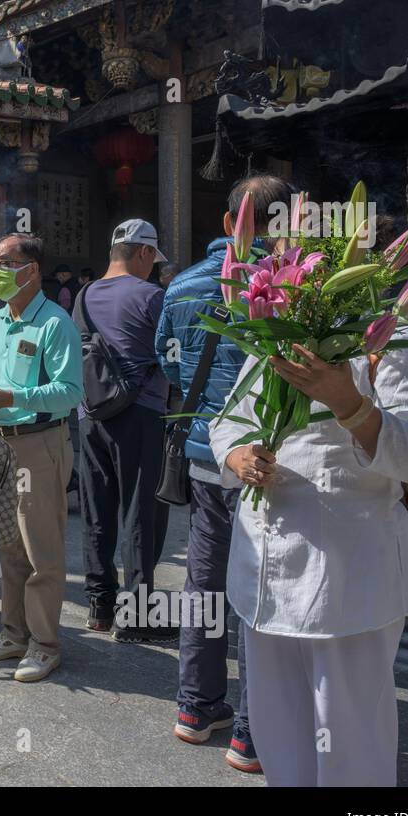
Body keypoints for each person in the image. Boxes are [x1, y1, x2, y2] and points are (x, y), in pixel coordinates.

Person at [210, 333, 408, 786]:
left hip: (349, 578)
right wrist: (238, 455)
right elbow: (229, 419)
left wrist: (351, 406)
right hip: (263, 569)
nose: (283, 258)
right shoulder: (276, 330)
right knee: (275, 726)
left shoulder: (397, 343)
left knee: (349, 741)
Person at [155, 173, 290, 773]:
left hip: (208, 454)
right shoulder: (294, 285)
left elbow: (168, 359)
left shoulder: (181, 285)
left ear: (225, 222)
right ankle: (252, 733)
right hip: (273, 462)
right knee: (262, 591)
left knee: (205, 583)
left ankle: (195, 706)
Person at [0, 234, 83, 682]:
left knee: (41, 548)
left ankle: (45, 642)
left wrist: (12, 396)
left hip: (39, 442)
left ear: (31, 269)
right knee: (7, 544)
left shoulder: (55, 323)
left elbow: (71, 392)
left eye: (5, 261)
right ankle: (13, 632)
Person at [75, 219, 173, 642]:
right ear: (145, 253)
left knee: (97, 510)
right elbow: (172, 357)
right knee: (139, 513)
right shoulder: (153, 297)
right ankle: (136, 616)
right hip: (142, 413)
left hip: (91, 414)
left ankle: (99, 608)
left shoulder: (83, 294)